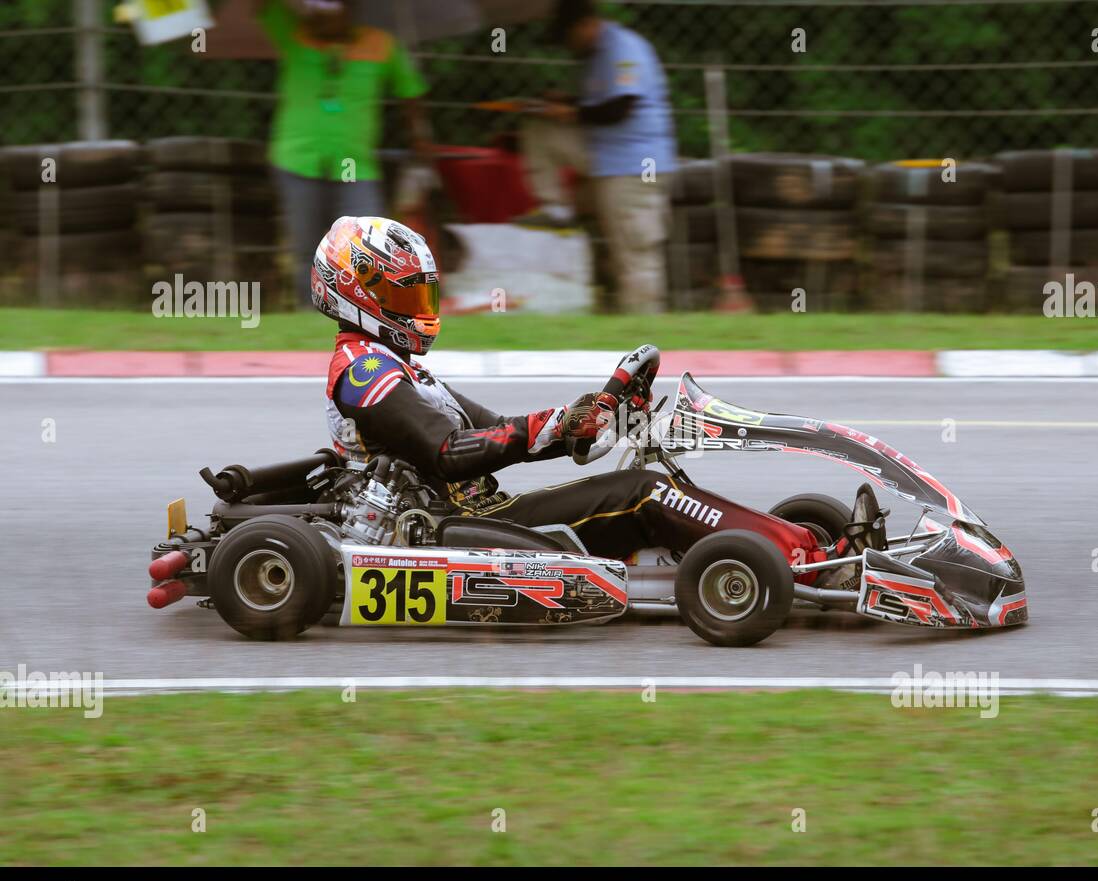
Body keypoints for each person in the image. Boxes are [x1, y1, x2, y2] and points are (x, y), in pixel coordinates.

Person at [311, 216, 859, 571]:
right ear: (357, 292)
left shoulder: (399, 367)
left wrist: (589, 420)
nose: (419, 308)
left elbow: (497, 431)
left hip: (481, 512)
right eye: (403, 294)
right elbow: (447, 453)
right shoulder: (362, 371)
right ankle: (802, 557)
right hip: (452, 526)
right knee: (644, 492)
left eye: (422, 295)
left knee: (651, 484)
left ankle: (792, 540)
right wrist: (554, 422)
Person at [257, 0, 435, 306]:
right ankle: (310, 314)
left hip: (357, 166)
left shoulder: (381, 45)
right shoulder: (294, 34)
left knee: (368, 248)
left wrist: (419, 136)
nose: (315, 18)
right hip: (298, 160)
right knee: (307, 249)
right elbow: (262, 7)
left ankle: (367, 316)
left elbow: (410, 92)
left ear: (348, 10)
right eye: (312, 10)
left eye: (325, 11)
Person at [515, 0, 676, 313]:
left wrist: (571, 112)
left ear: (586, 25)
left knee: (635, 251)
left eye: (568, 37)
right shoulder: (596, 55)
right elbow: (601, 104)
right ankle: (555, 209)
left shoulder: (623, 49)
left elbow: (620, 107)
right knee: (540, 127)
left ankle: (646, 326)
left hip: (635, 165)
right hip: (607, 155)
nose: (568, 46)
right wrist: (566, 102)